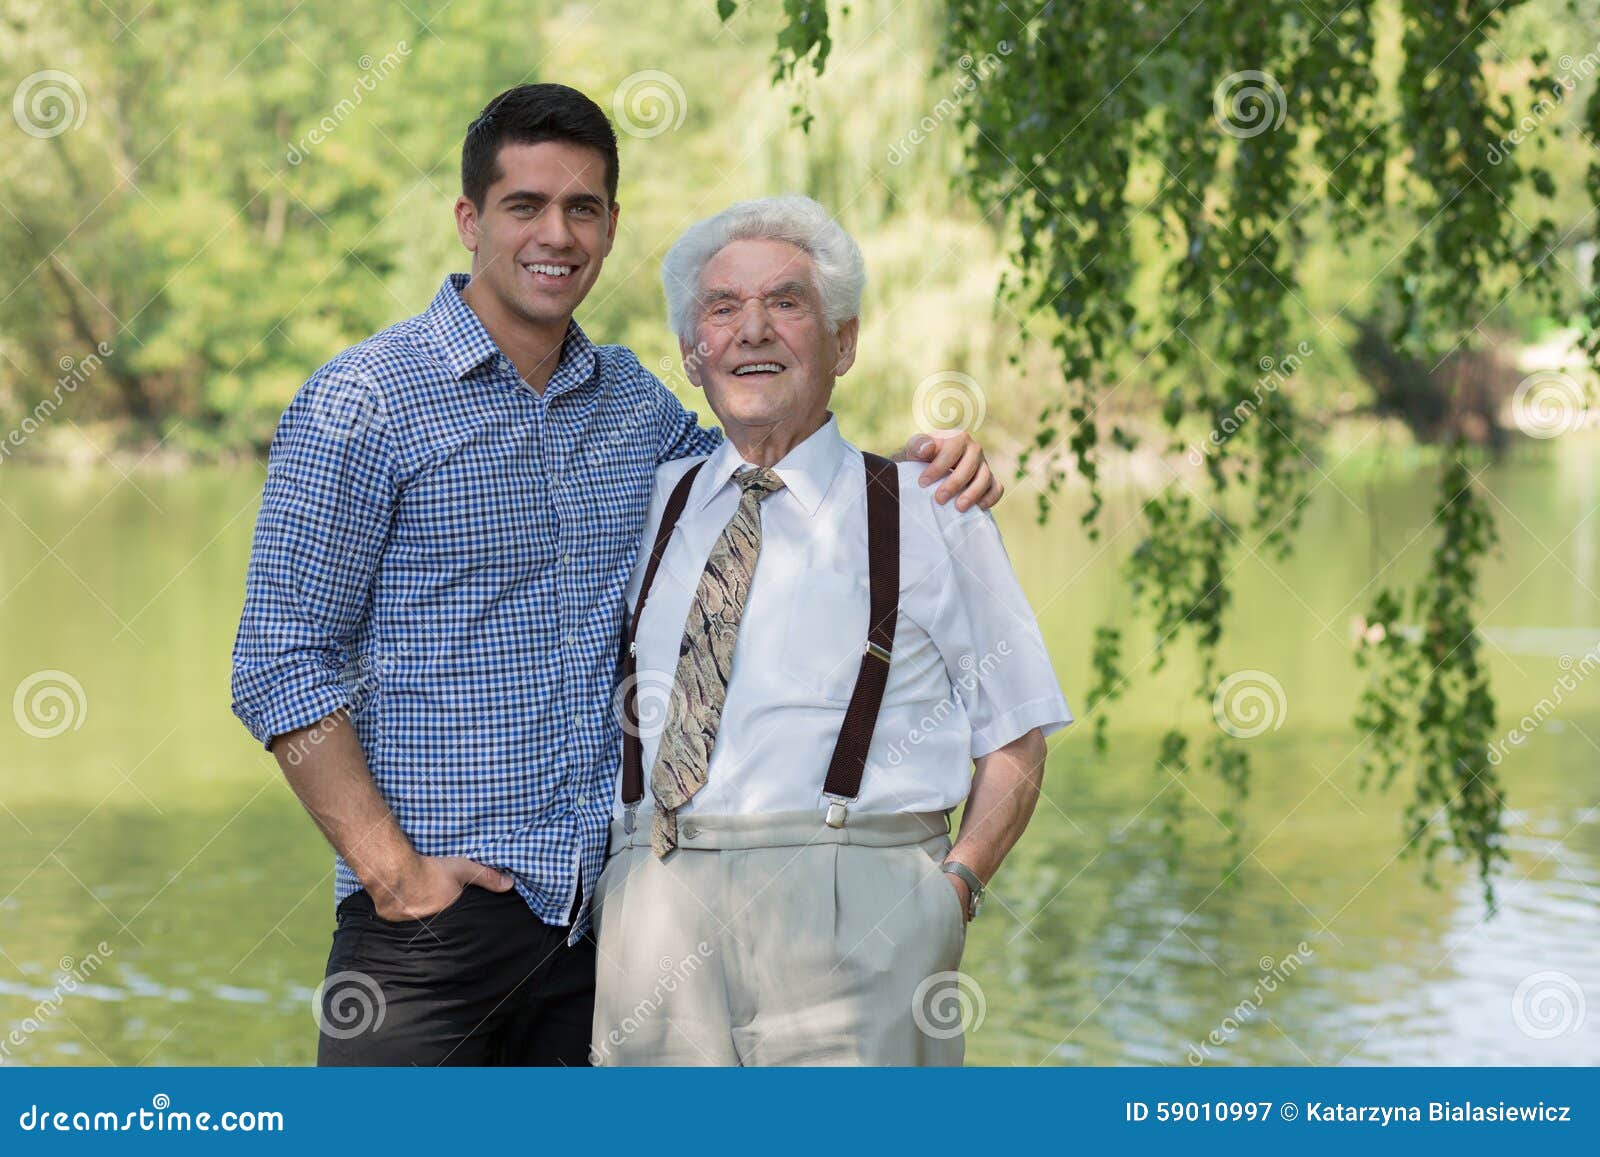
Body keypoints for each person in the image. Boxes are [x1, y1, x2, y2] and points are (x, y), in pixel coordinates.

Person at [228, 84, 1001, 1067]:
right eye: (525, 205)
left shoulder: (634, 405)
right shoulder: (363, 402)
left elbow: (778, 470)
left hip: (600, 939)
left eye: (582, 208)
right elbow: (280, 663)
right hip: (428, 935)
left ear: (609, 227)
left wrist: (926, 467)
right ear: (469, 220)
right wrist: (393, 873)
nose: (556, 233)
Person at [590, 195, 1071, 1066]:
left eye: (787, 302)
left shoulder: (930, 509)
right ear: (693, 355)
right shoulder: (647, 505)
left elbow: (1016, 736)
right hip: (654, 913)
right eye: (723, 308)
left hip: (859, 909)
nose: (753, 330)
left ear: (843, 342)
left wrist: (952, 890)